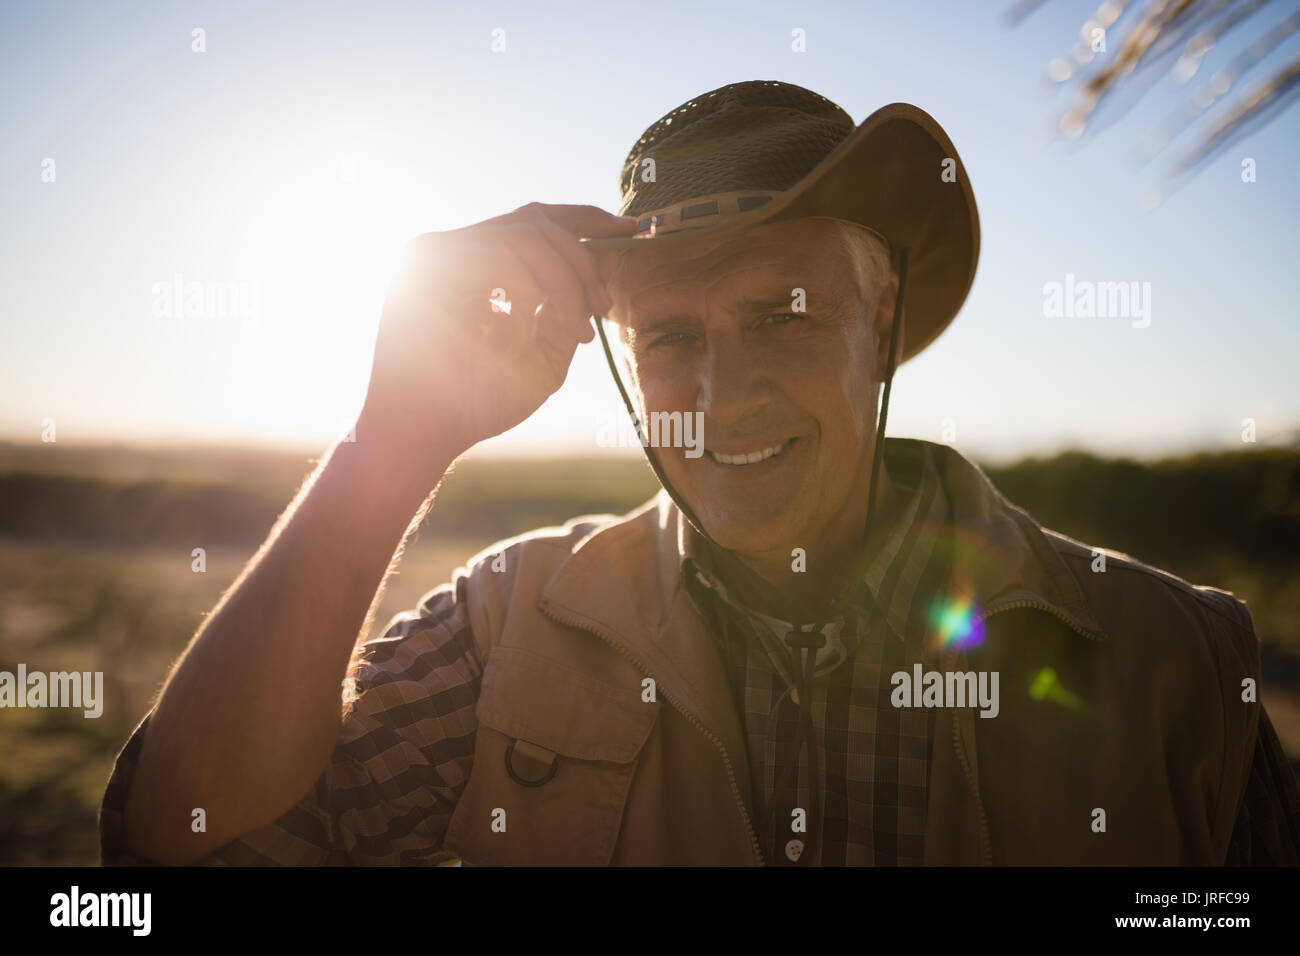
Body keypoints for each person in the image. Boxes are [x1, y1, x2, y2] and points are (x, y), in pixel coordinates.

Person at [100, 80, 1300, 866]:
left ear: (878, 318)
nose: (723, 401)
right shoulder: (501, 630)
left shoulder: (1178, 670)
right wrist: (394, 440)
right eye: (670, 338)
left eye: (783, 312)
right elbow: (181, 841)